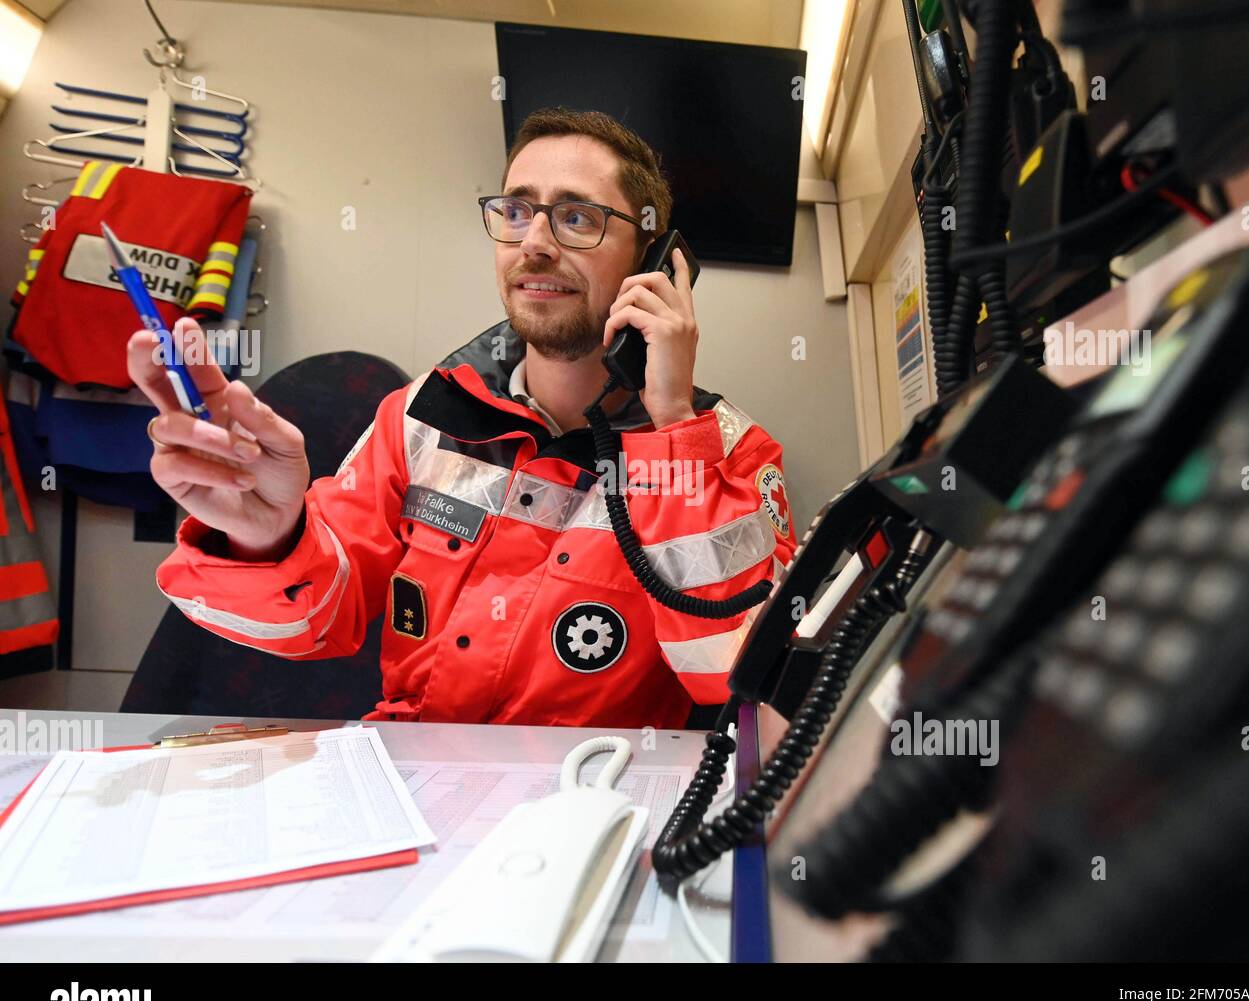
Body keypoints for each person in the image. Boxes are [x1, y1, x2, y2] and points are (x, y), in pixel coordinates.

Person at [127, 108, 795, 728]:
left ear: (655, 261)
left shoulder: (729, 453)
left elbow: (730, 667)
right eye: (517, 210)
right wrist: (270, 536)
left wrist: (672, 425)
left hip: (595, 806)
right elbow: (312, 623)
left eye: (577, 218)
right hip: (413, 790)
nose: (534, 242)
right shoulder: (421, 415)